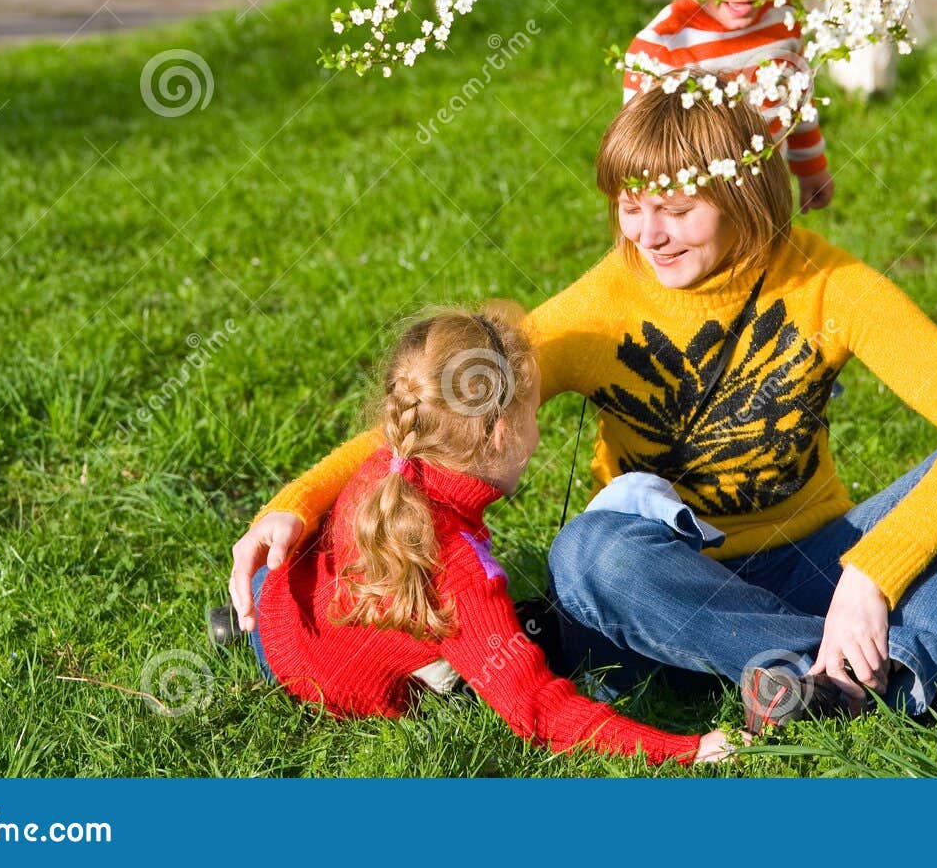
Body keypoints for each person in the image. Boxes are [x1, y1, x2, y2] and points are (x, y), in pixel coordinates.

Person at [232, 92, 937, 732]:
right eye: (632, 206)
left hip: (815, 556)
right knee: (589, 553)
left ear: (746, 195)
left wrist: (870, 572)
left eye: (676, 209)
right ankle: (880, 670)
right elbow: (435, 407)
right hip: (655, 586)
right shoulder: (605, 303)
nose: (649, 233)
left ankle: (822, 673)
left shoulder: (831, 285)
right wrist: (295, 502)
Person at [231, 304, 733, 764]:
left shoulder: (388, 467)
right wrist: (687, 749)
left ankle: (236, 625)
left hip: (273, 600)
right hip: (326, 689)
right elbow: (539, 711)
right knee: (483, 666)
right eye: (533, 416)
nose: (538, 435)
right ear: (499, 434)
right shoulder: (462, 578)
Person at [622, 0, 835, 213]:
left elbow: (797, 103)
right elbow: (636, 157)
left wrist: (811, 168)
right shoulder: (660, 50)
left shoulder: (781, 21)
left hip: (768, 201)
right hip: (692, 215)